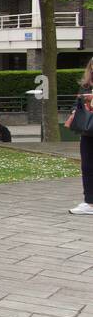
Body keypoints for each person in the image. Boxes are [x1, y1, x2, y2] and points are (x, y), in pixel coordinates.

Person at [65, 55, 93, 215]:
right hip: (88, 131)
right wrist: (75, 112)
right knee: (88, 166)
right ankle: (89, 202)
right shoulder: (86, 86)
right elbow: (76, 104)